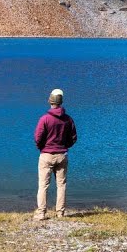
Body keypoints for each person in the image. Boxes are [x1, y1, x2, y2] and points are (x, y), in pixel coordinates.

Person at [33, 88, 77, 220]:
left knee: (43, 186)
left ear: (50, 102)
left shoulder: (45, 119)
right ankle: (60, 213)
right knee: (61, 185)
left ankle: (41, 213)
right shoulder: (68, 120)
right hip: (62, 155)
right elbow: (73, 138)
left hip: (46, 155)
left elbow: (38, 138)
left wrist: (42, 148)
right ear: (61, 102)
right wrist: (64, 146)